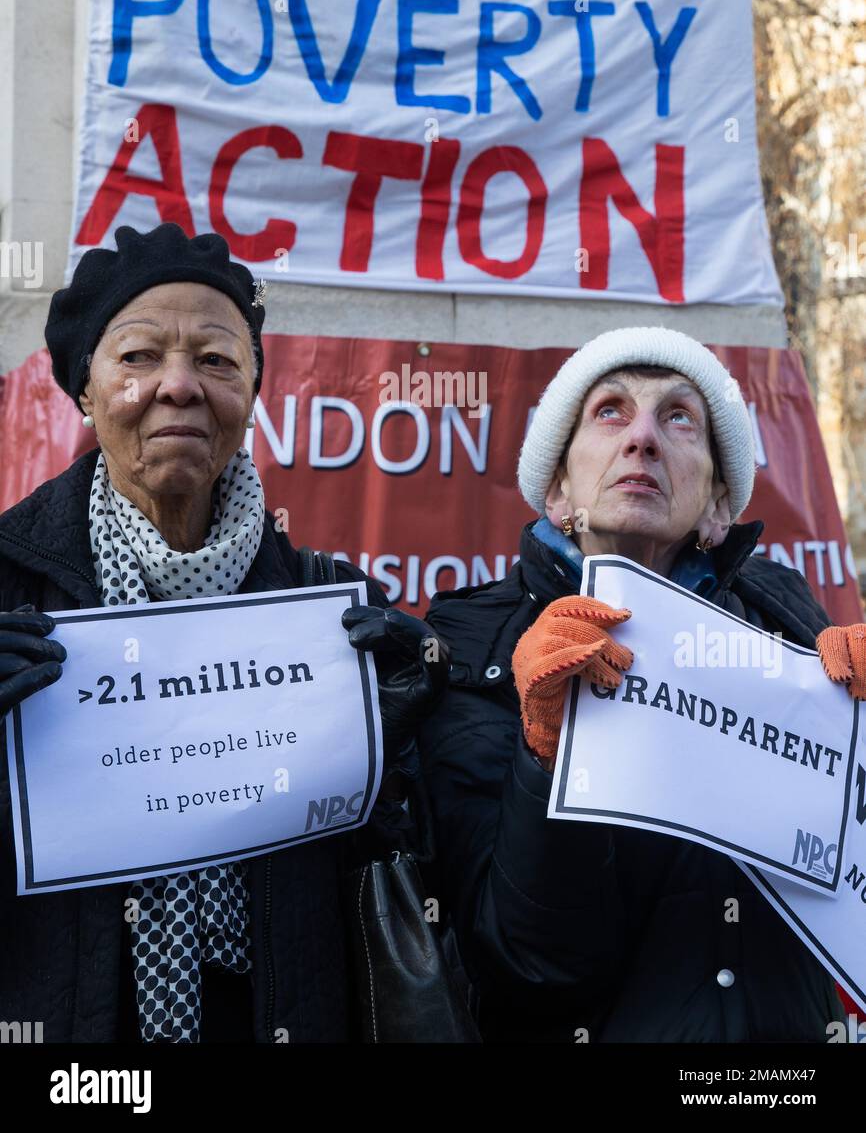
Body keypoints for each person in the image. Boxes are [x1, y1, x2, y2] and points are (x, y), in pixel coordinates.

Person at [0, 222, 447, 1044]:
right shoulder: (5, 590)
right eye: (137, 357)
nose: (179, 386)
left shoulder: (328, 610)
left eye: (215, 359)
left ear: (250, 394)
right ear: (84, 392)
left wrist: (392, 756)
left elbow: (395, 871)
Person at [419, 325, 853, 1043]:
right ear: (557, 491)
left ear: (718, 507)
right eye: (611, 411)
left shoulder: (790, 622)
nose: (644, 437)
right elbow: (523, 967)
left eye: (679, 416)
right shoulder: (472, 646)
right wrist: (546, 754)